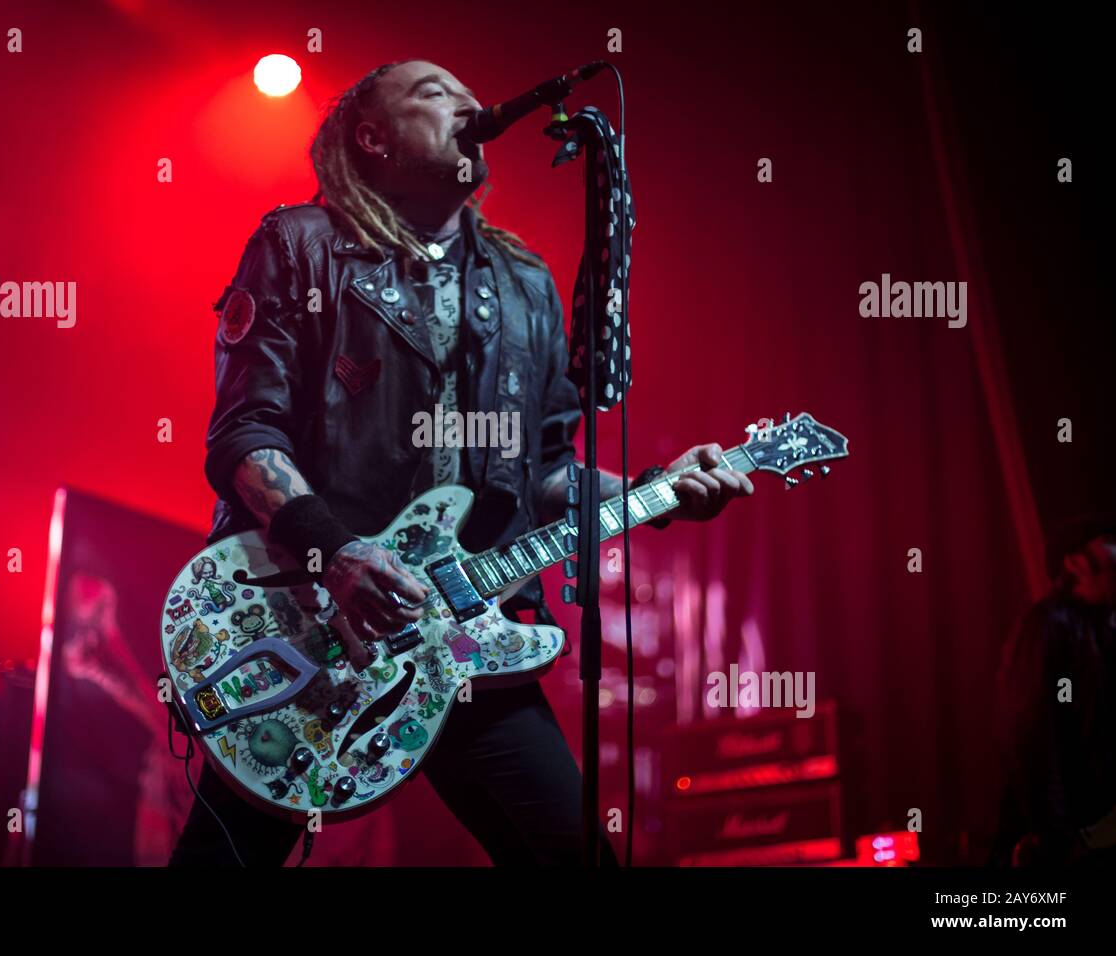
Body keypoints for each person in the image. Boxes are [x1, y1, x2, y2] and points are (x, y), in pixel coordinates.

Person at [169, 60, 753, 867]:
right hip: (309, 627)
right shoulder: (299, 246)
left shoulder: (525, 283)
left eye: (470, 94)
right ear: (371, 136)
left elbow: (544, 475)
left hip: (469, 640)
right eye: (435, 94)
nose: (472, 105)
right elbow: (245, 436)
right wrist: (337, 554)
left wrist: (661, 492)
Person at [993, 514, 1116, 866]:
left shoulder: (1105, 632)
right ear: (1076, 563)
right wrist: (1059, 839)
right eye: (1108, 539)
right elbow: (1030, 739)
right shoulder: (1049, 625)